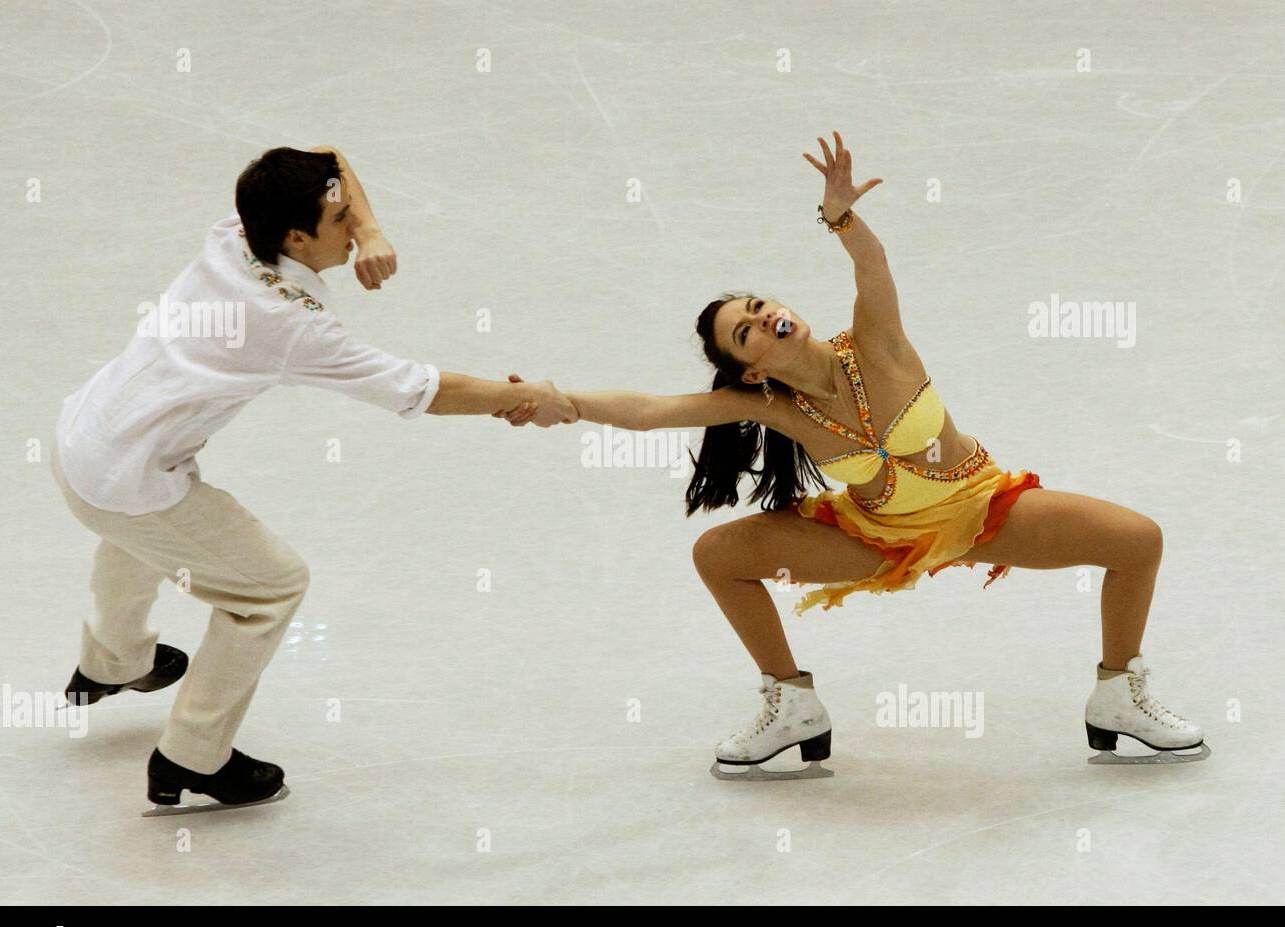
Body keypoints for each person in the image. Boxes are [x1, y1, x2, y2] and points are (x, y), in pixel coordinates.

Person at [498, 131, 1207, 777]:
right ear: (750, 370)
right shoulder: (769, 405)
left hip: (987, 512)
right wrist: (564, 398)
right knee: (718, 554)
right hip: (878, 540)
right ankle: (793, 703)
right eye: (746, 333)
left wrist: (840, 216)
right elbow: (655, 411)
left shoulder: (876, 341)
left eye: (755, 306)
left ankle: (1118, 696)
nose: (761, 319)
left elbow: (873, 265)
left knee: (1136, 541)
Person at [53, 145, 576, 814]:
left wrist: (372, 232)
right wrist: (524, 394)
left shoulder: (236, 232)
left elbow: (329, 155)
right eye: (340, 217)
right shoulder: (289, 324)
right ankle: (192, 756)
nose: (349, 217)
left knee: (137, 537)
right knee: (270, 587)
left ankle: (110, 663)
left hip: (80, 439)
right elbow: (421, 389)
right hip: (129, 479)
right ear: (298, 238)